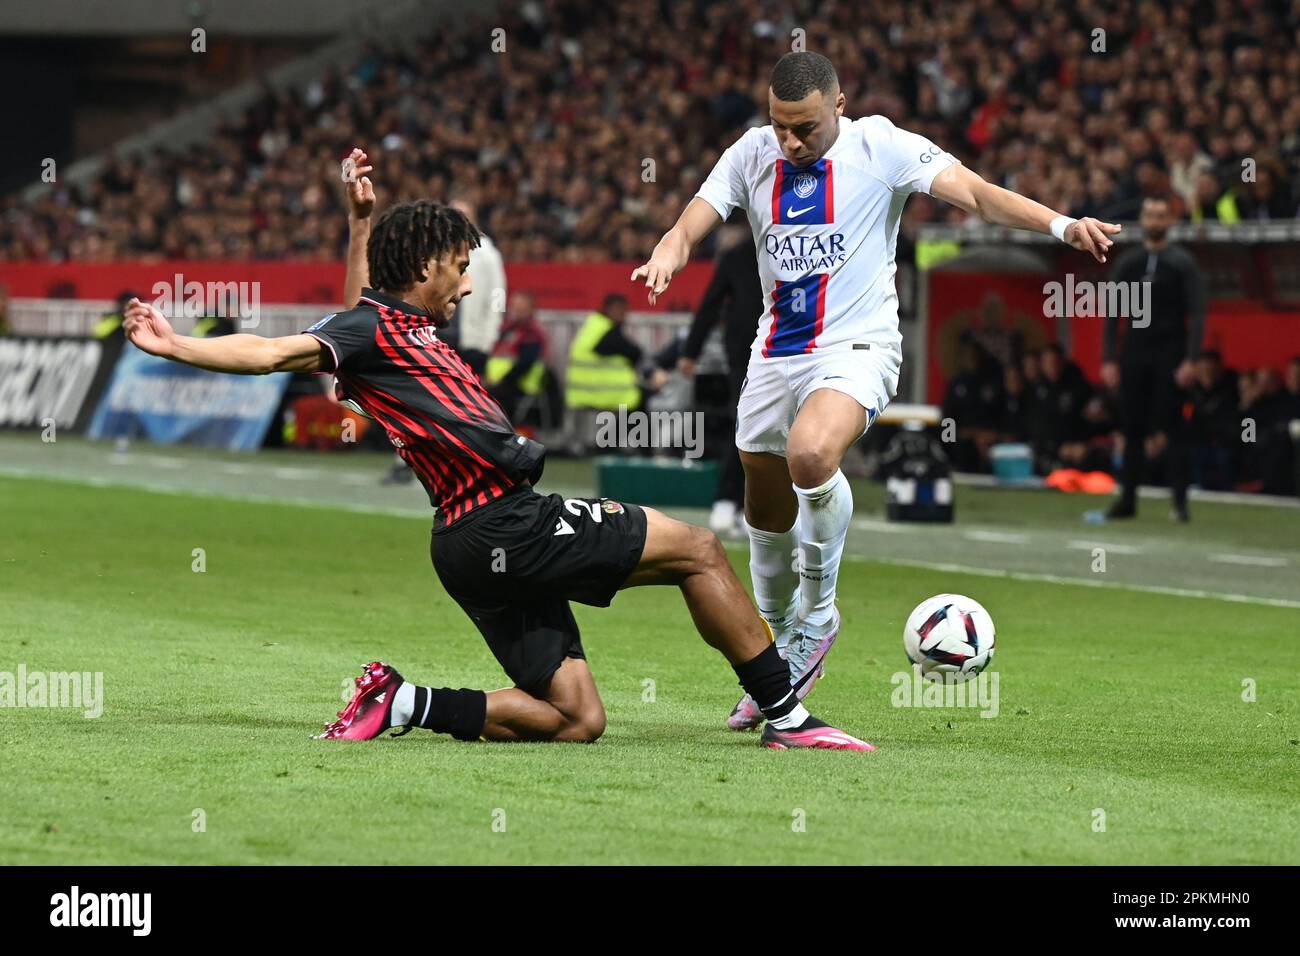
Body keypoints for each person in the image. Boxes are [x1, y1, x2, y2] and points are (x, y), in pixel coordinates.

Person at [121, 188, 871, 751]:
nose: (469, 285)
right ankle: (788, 716)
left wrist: (357, 225)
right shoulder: (376, 332)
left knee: (579, 720)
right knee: (699, 549)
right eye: (458, 268)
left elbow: (358, 308)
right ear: (423, 268)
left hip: (467, 547)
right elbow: (273, 351)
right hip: (506, 520)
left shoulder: (386, 327)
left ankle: (405, 703)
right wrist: (176, 344)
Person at [633, 51, 1120, 730]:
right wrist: (668, 250)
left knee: (811, 455)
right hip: (776, 353)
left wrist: (1061, 225)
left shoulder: (883, 146)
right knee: (764, 506)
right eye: (780, 125)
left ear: (839, 105)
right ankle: (778, 640)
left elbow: (976, 194)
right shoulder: (751, 153)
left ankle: (821, 611)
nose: (790, 141)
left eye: (803, 127)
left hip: (858, 346)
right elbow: (696, 215)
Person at [1103, 195, 1206, 521]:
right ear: (1143, 219)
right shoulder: (1128, 263)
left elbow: (1197, 314)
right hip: (1134, 352)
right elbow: (1112, 313)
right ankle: (1128, 499)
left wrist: (1191, 359)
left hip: (1170, 354)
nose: (1155, 221)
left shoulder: (1182, 263)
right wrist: (1109, 359)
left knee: (1174, 430)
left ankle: (1179, 503)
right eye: (1150, 215)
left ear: (1170, 221)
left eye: (1161, 215)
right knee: (1131, 429)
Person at [677, 223, 763, 537]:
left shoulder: (745, 253)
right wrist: (691, 350)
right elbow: (711, 302)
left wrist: (691, 351)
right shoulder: (743, 254)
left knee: (761, 425)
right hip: (754, 348)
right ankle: (731, 502)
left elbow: (712, 303)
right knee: (750, 422)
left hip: (770, 347)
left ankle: (744, 506)